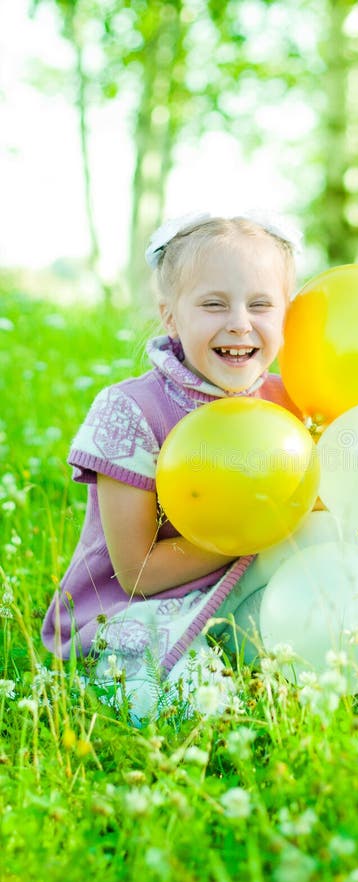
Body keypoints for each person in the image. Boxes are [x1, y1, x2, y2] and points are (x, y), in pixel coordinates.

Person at [41, 211, 338, 722]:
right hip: (139, 607)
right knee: (195, 709)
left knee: (324, 635)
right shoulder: (131, 411)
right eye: (213, 304)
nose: (240, 322)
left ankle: (268, 664)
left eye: (261, 304)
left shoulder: (293, 403)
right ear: (171, 315)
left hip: (246, 588)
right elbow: (136, 574)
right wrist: (260, 528)